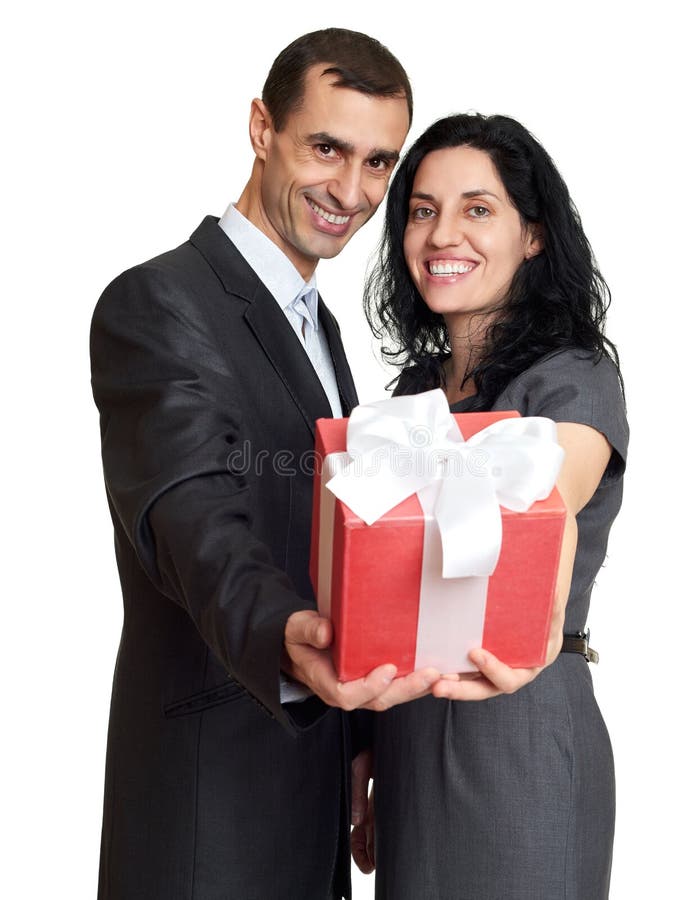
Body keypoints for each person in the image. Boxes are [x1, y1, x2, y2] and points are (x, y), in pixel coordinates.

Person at [90, 28, 439, 900]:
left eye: (377, 163)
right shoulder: (159, 301)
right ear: (260, 128)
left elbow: (326, 540)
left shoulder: (316, 326)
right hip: (210, 804)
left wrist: (356, 742)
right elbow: (192, 515)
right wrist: (280, 631)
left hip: (306, 796)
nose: (350, 192)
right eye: (326, 148)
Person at [354, 113, 629, 899]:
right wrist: (362, 747)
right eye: (422, 210)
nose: (443, 233)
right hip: (406, 724)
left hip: (516, 715)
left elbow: (541, 503)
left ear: (532, 236)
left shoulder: (572, 376)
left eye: (476, 208)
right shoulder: (412, 396)